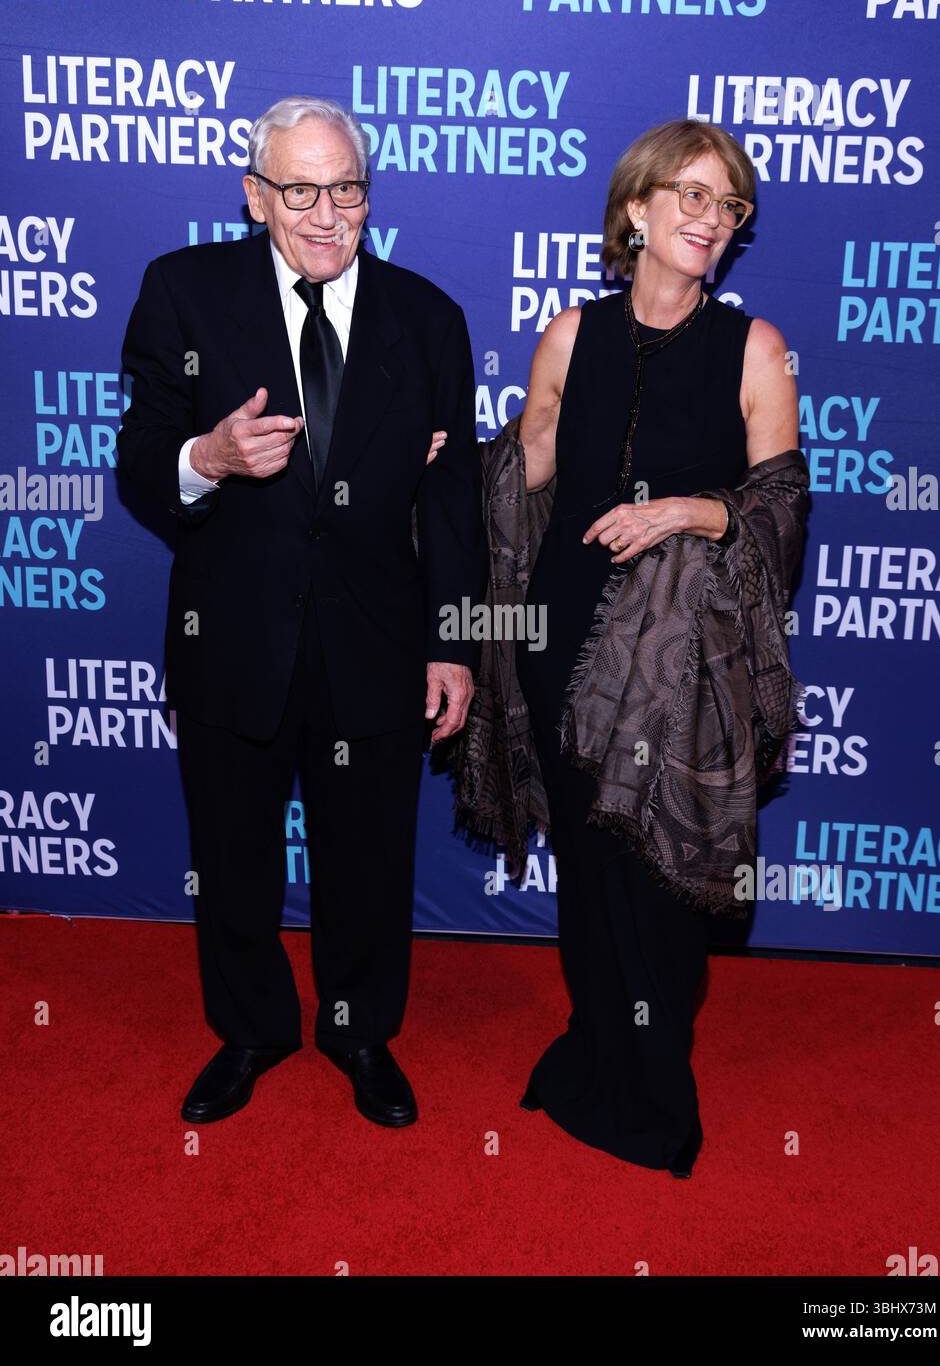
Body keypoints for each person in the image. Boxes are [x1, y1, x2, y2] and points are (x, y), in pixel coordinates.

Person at [116, 95, 486, 1127]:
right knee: (231, 852)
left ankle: (361, 1030)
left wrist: (454, 642)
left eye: (348, 189)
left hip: (375, 640)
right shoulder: (184, 294)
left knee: (368, 858)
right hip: (231, 636)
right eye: (300, 190)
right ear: (254, 195)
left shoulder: (429, 318)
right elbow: (142, 463)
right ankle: (251, 1029)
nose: (327, 214)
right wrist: (210, 458)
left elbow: (451, 499)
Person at [510, 120, 801, 1175]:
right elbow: (529, 465)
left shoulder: (755, 349)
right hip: (566, 631)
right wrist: (439, 457)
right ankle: (597, 1049)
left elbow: (780, 513)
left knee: (668, 868)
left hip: (684, 654)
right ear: (635, 208)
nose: (709, 220)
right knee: (591, 865)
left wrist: (689, 509)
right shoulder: (569, 333)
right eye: (690, 195)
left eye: (727, 207)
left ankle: (653, 1083)